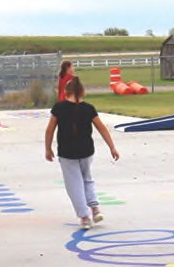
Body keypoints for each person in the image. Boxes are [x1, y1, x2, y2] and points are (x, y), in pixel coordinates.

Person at [44, 76, 119, 229]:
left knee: (74, 184)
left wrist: (48, 148)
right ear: (83, 92)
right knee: (87, 179)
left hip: (67, 152)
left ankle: (84, 216)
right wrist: (112, 147)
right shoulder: (89, 108)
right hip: (86, 150)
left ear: (65, 92)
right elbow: (102, 128)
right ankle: (95, 208)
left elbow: (50, 130)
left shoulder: (59, 108)